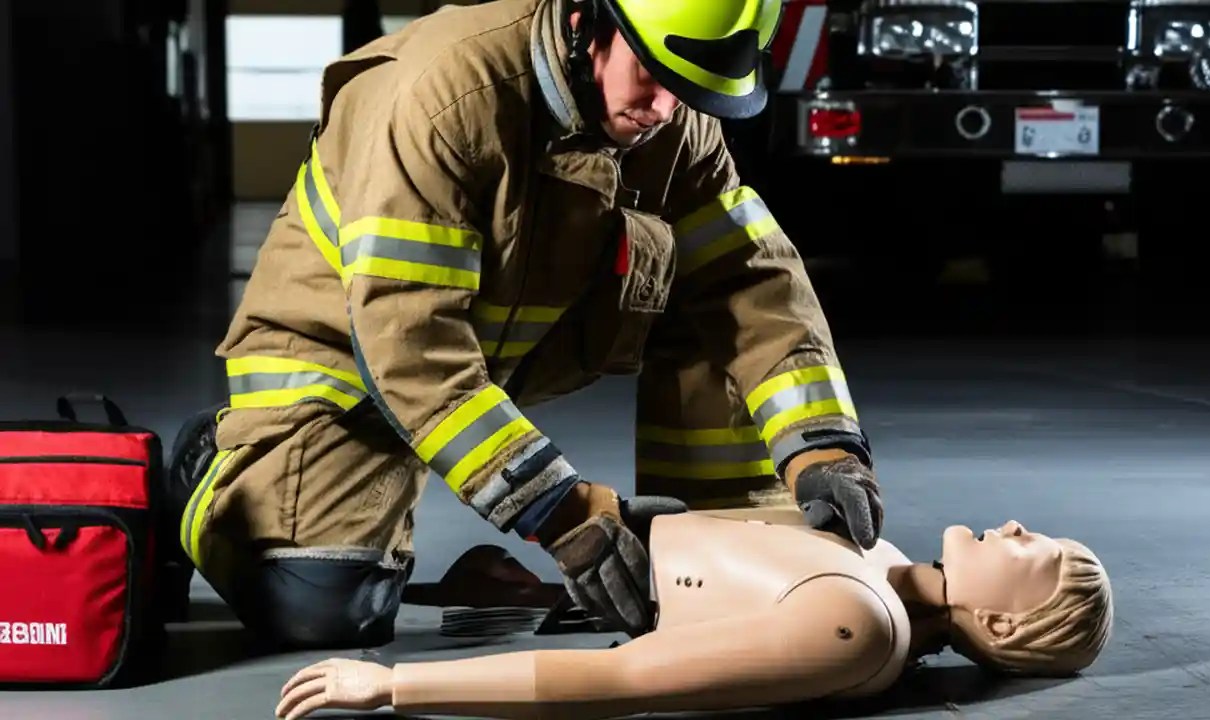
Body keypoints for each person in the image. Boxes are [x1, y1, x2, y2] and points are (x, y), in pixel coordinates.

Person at [159, 0, 884, 650]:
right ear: (584, 22)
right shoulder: (442, 99)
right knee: (323, 611)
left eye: (690, 88)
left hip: (492, 350)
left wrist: (821, 450)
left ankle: (723, 549)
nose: (666, 107)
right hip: (344, 368)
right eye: (653, 74)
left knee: (715, 296)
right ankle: (207, 478)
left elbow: (752, 283)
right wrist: (564, 513)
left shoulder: (673, 116)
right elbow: (413, 351)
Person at [273, 507, 1115, 720]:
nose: (1013, 526)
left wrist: (392, 687)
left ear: (1003, 627)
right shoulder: (888, 570)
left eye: (1030, 550)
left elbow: (622, 680)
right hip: (569, 569)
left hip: (599, 581)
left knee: (310, 587)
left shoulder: (857, 627)